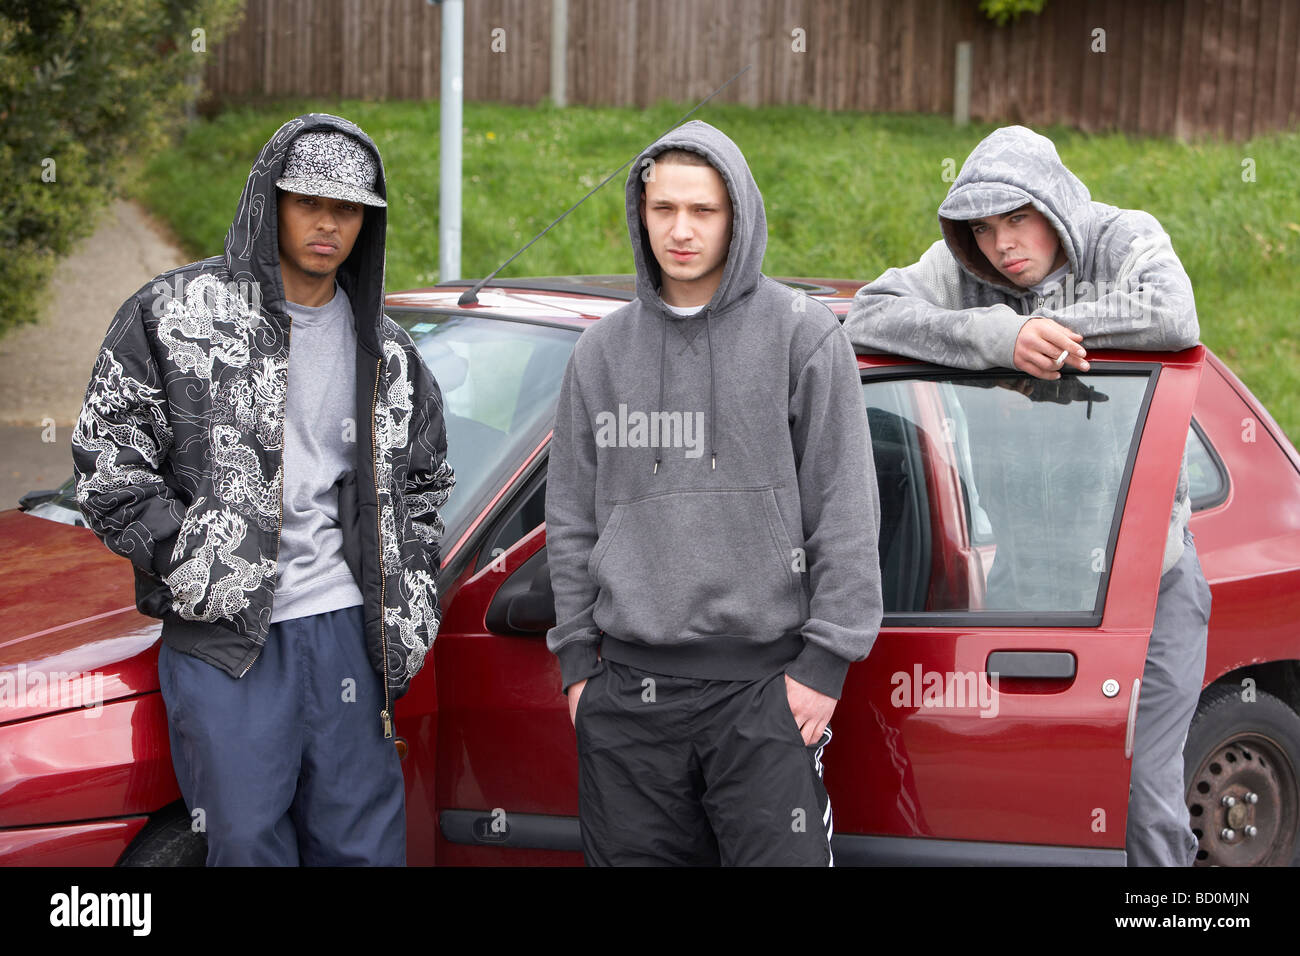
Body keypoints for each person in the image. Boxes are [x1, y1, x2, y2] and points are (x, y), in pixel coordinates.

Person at [71, 114, 455, 866]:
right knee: (246, 846)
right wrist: (197, 564)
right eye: (308, 202)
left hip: (350, 633)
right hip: (228, 638)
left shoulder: (390, 351)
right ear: (269, 199)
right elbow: (108, 462)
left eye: (348, 209)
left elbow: (424, 487)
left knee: (364, 850)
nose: (328, 223)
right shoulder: (174, 315)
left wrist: (409, 596)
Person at [843, 124, 1211, 866]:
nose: (1002, 245)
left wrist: (1043, 330)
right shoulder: (962, 274)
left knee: (1144, 805)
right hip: (1026, 592)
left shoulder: (1119, 239)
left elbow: (1174, 315)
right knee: (1027, 810)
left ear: (1054, 205)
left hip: (1147, 585)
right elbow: (868, 314)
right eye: (982, 228)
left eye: (1017, 219)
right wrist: (997, 338)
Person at [545, 120, 883, 866]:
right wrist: (577, 671)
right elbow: (568, 520)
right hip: (627, 700)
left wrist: (823, 667)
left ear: (738, 215)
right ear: (640, 213)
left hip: (764, 693)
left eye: (703, 210)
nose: (682, 230)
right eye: (664, 208)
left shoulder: (802, 336)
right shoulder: (600, 353)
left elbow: (846, 511)